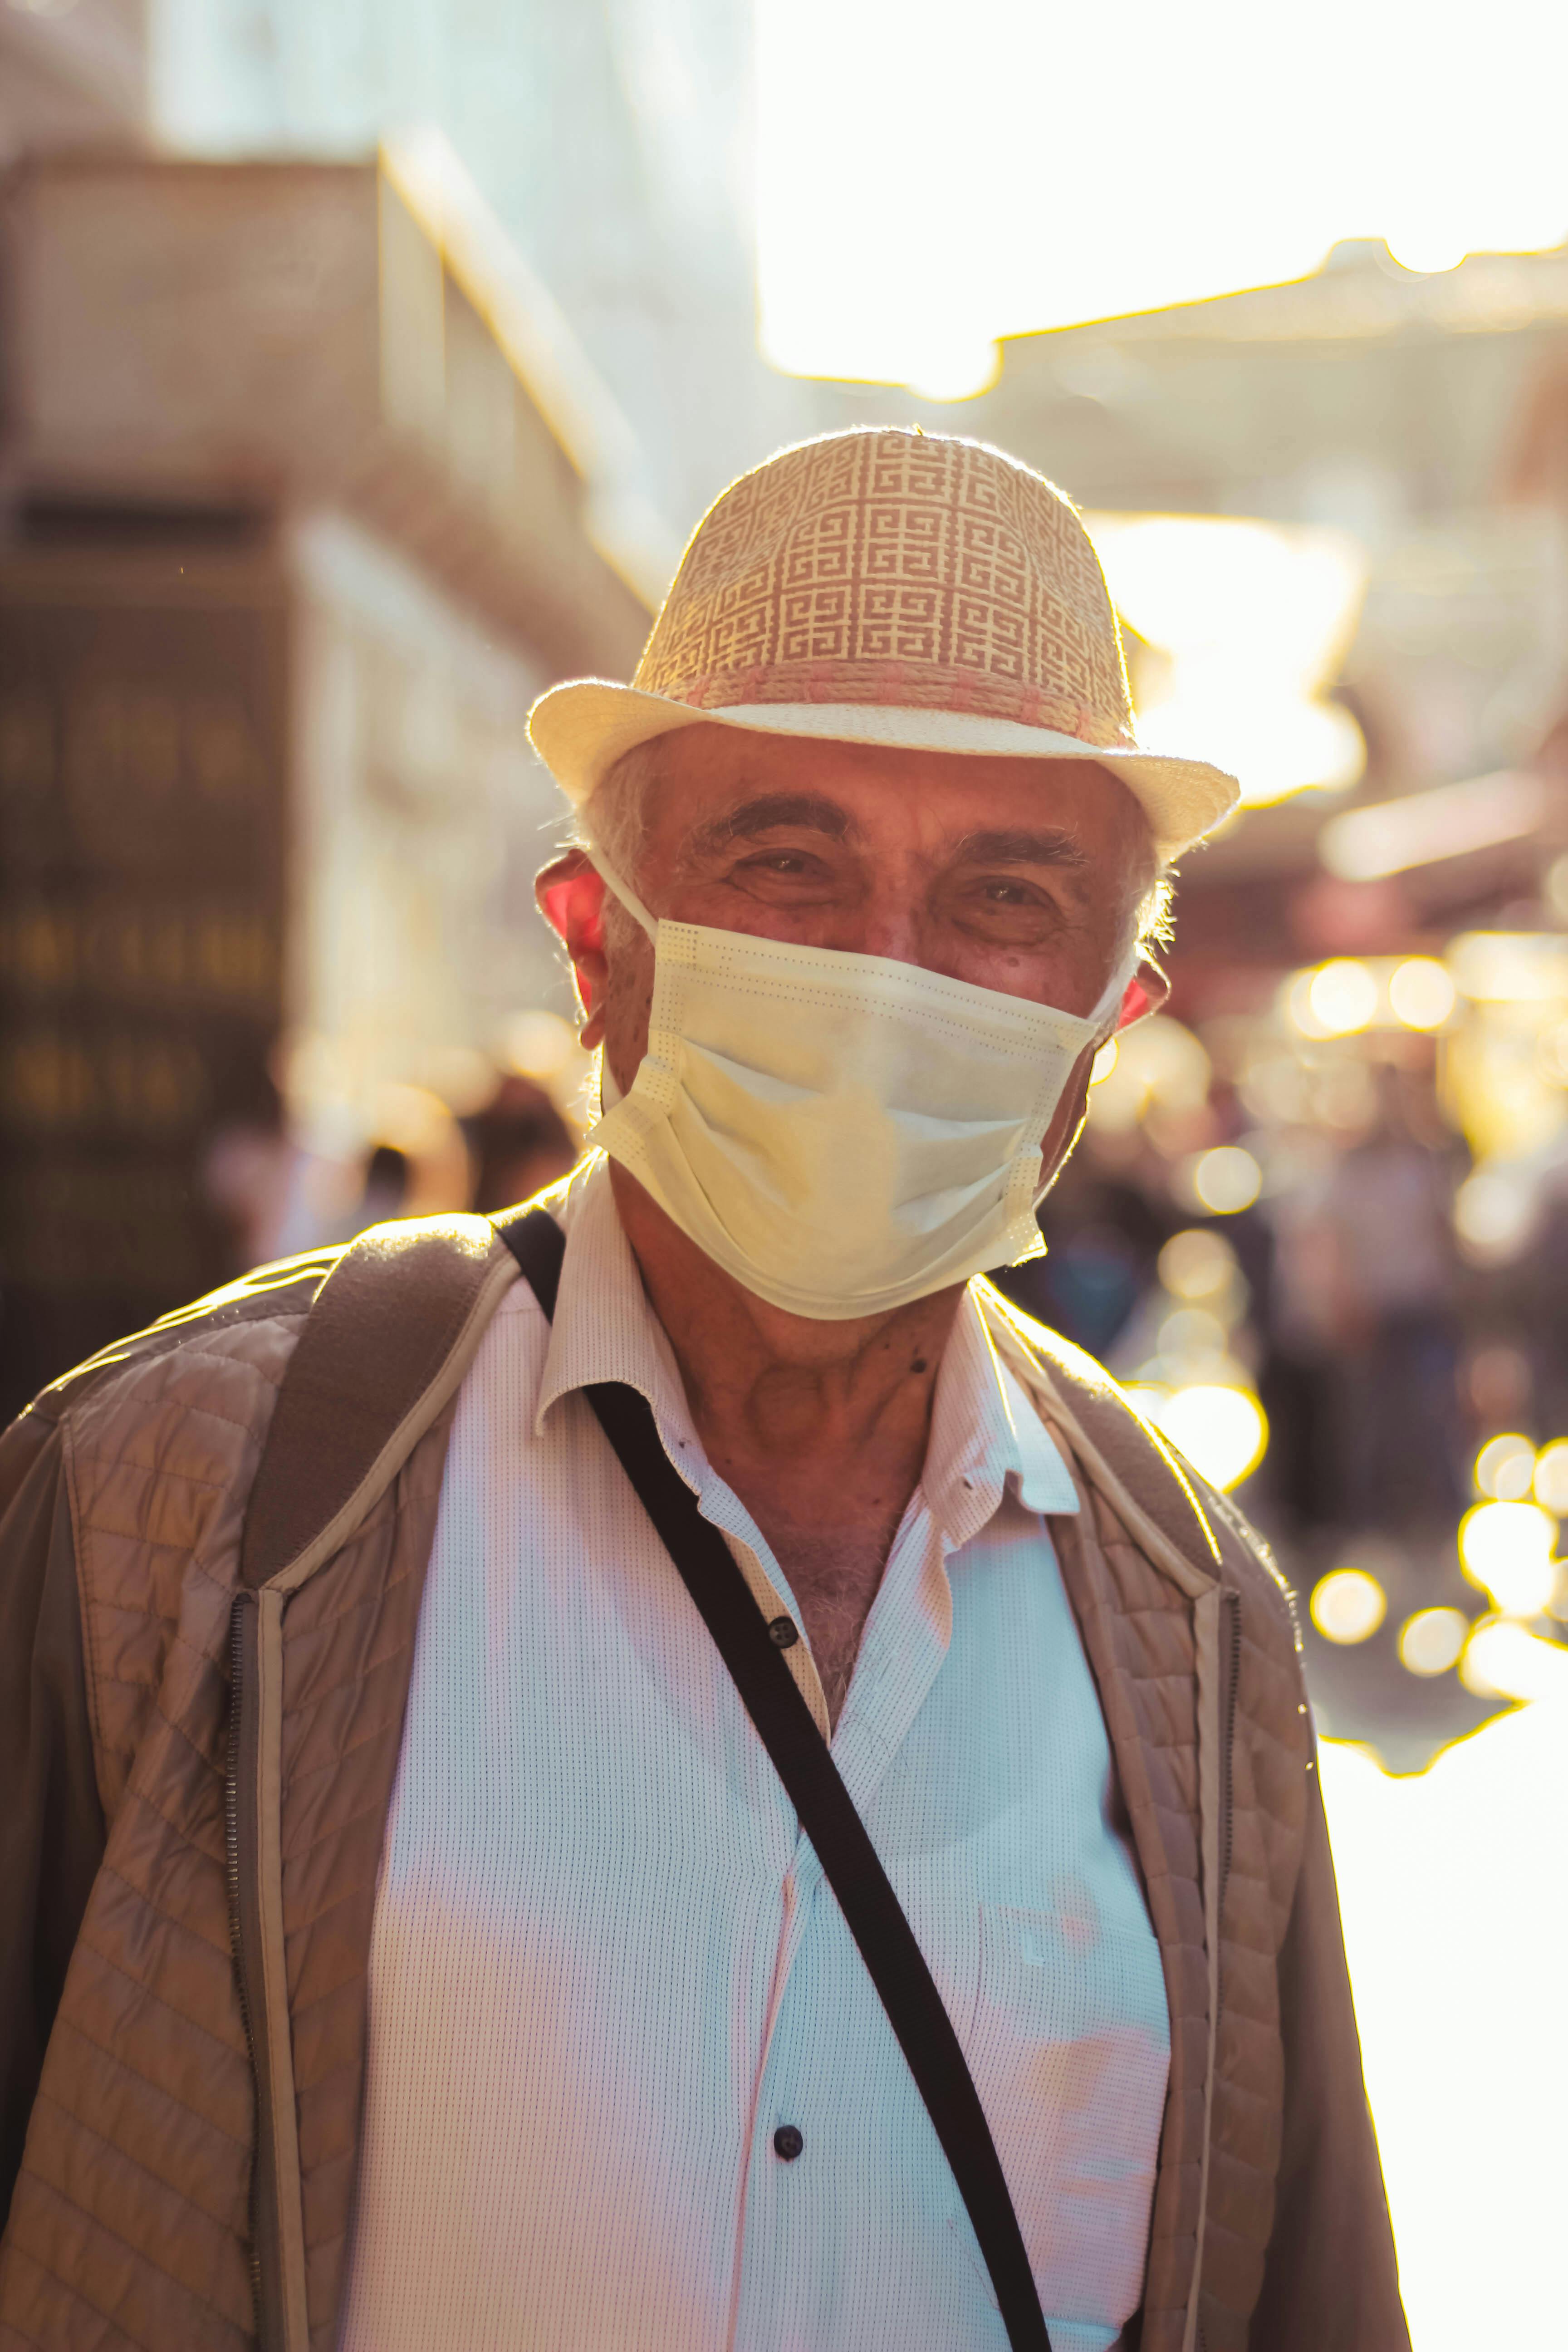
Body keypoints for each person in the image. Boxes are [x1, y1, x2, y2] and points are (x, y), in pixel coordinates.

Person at [0, 430, 1406, 2352]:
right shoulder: (171, 1503)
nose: (889, 976)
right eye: (789, 864)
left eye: (1005, 899)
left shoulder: (1200, 1628)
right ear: (599, 948)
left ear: (1107, 1026)